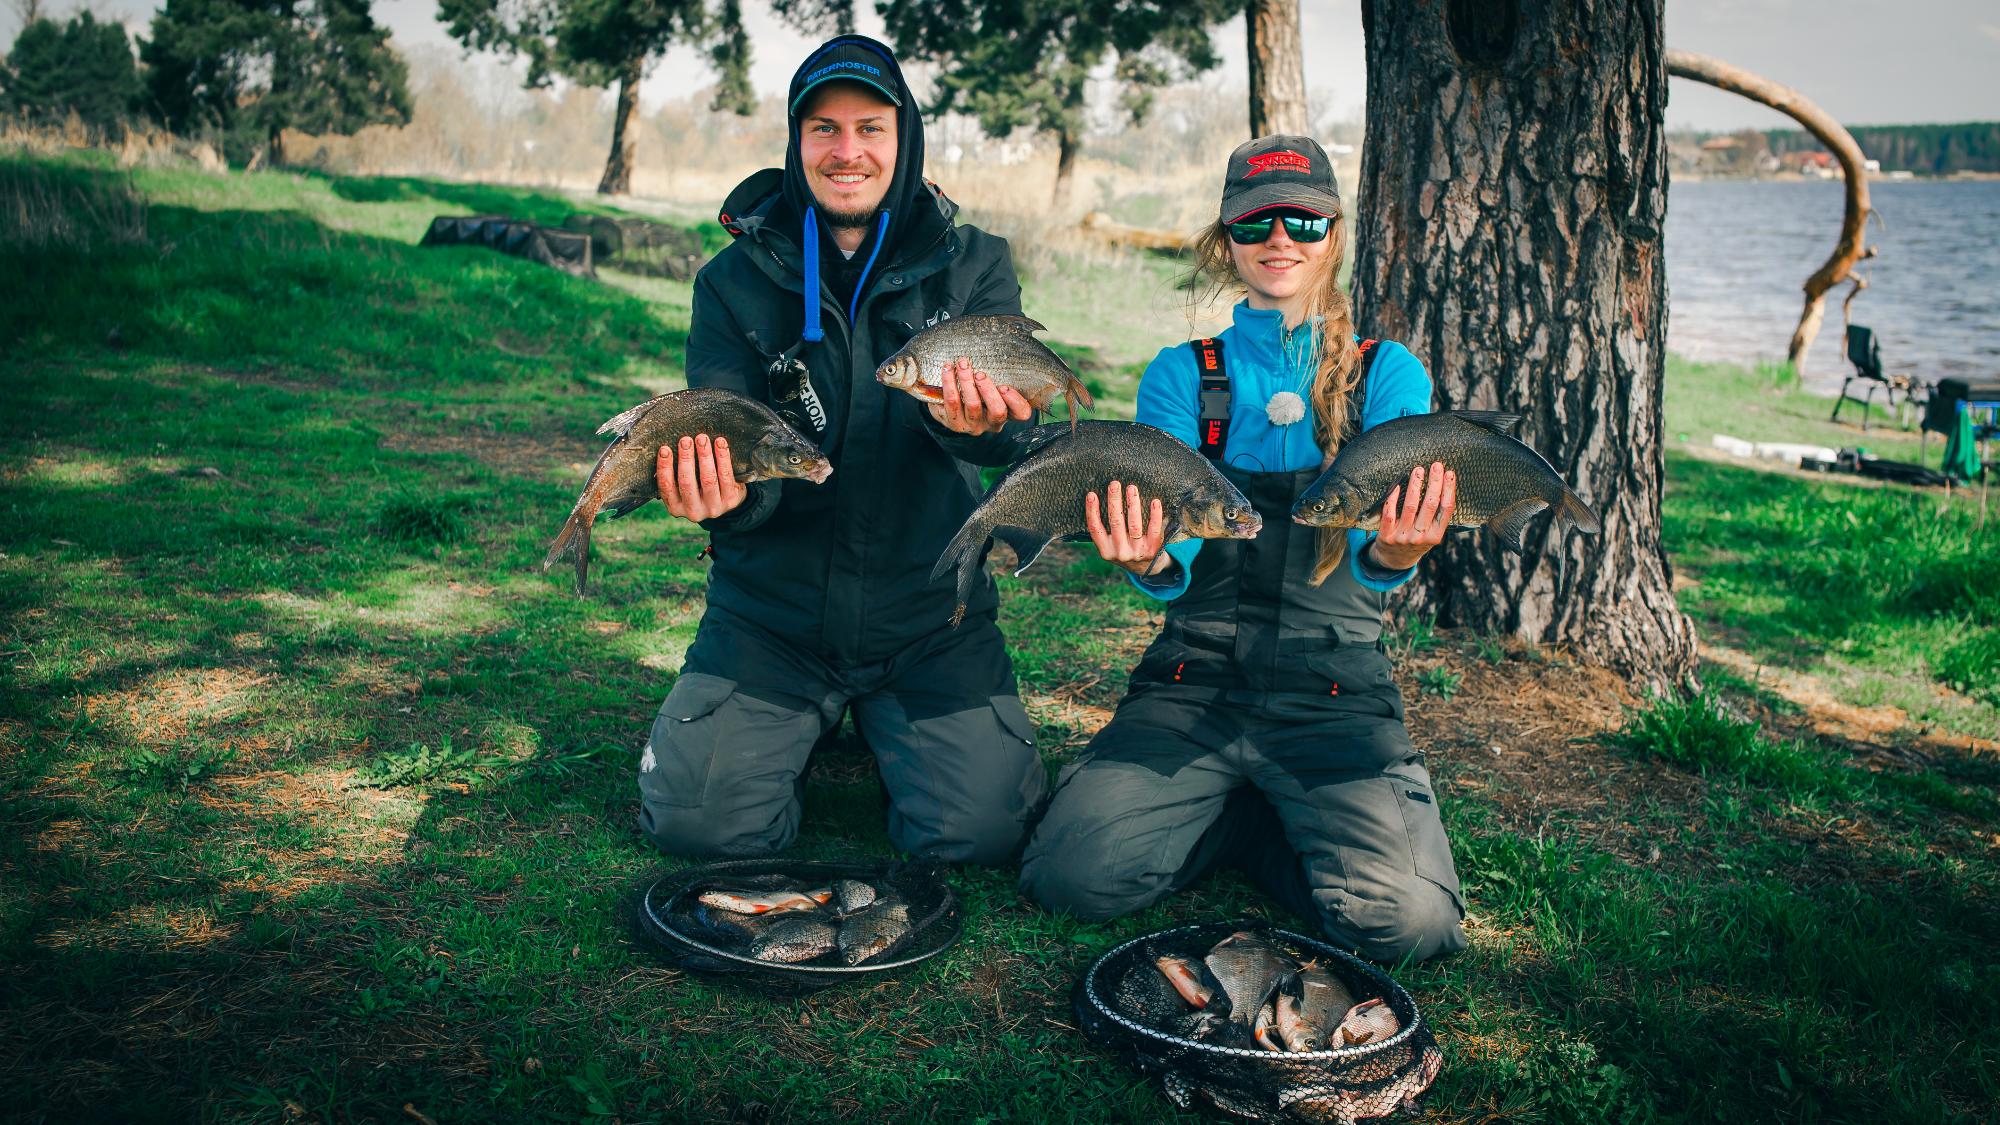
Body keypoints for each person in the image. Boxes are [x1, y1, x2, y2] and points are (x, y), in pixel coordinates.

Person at [1020, 135, 1467, 962]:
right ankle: (1236, 816)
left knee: (1413, 927)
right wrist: (1147, 560)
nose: (1280, 238)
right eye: (1257, 221)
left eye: (1303, 218)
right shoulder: (1183, 375)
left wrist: (1401, 554)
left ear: (1334, 232)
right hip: (1193, 683)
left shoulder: (1389, 374)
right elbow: (1171, 560)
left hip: (1334, 691)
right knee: (1067, 877)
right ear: (1227, 240)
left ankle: (1273, 825)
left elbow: (1375, 558)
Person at [634, 35, 1048, 864]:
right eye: (823, 129)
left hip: (933, 616)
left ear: (907, 138)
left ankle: (888, 727)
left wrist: (979, 425)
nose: (847, 151)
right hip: (770, 620)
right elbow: (735, 448)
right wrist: (720, 494)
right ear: (796, 142)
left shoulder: (976, 266)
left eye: (871, 128)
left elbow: (1014, 440)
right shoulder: (730, 280)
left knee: (985, 833)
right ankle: (793, 722)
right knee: (699, 827)